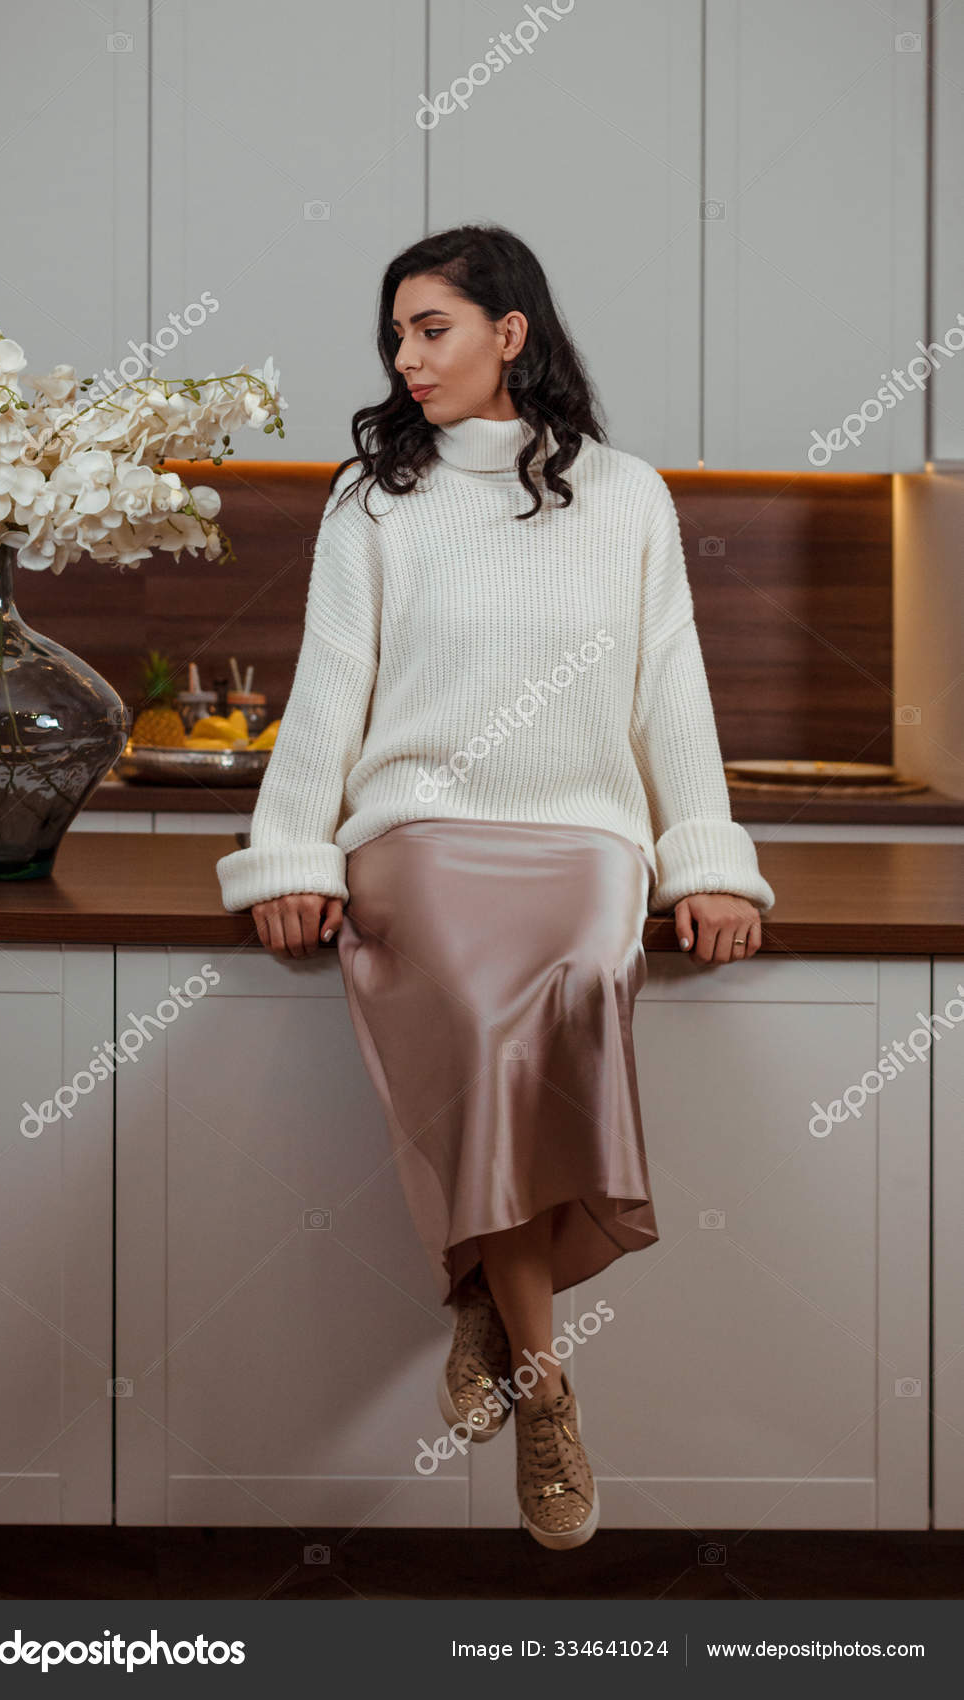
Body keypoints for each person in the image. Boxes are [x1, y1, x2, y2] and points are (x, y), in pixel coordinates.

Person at [216, 223, 775, 1551]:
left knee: (580, 981)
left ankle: (487, 1295)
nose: (405, 356)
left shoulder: (630, 495)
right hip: (419, 829)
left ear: (509, 334)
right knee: (473, 1009)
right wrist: (291, 855)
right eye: (397, 334)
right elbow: (326, 699)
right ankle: (549, 1383)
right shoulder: (374, 500)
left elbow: (671, 694)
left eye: (432, 328)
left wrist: (705, 859)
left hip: (585, 836)